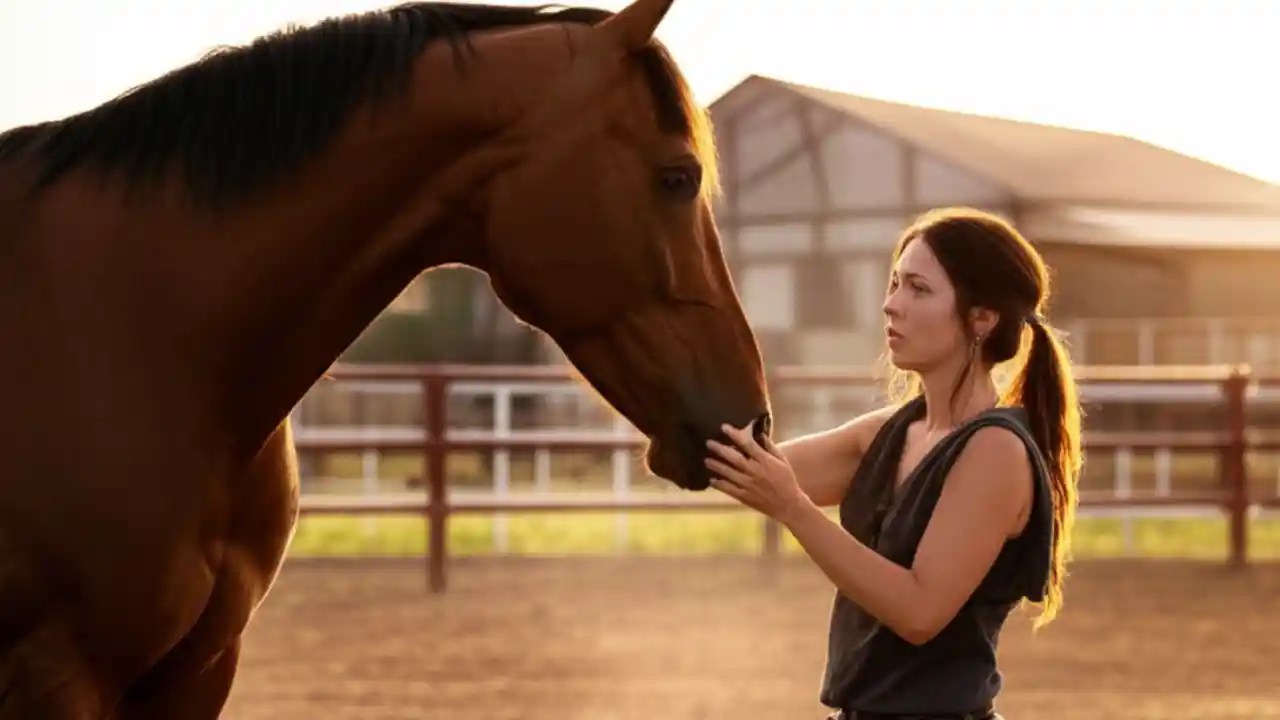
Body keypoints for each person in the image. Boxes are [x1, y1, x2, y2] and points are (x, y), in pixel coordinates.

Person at [706, 207, 1082, 720]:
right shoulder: (889, 432)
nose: (890, 305)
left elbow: (919, 611)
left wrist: (793, 508)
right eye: (894, 283)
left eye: (918, 289)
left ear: (982, 318)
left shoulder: (996, 450)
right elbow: (738, 464)